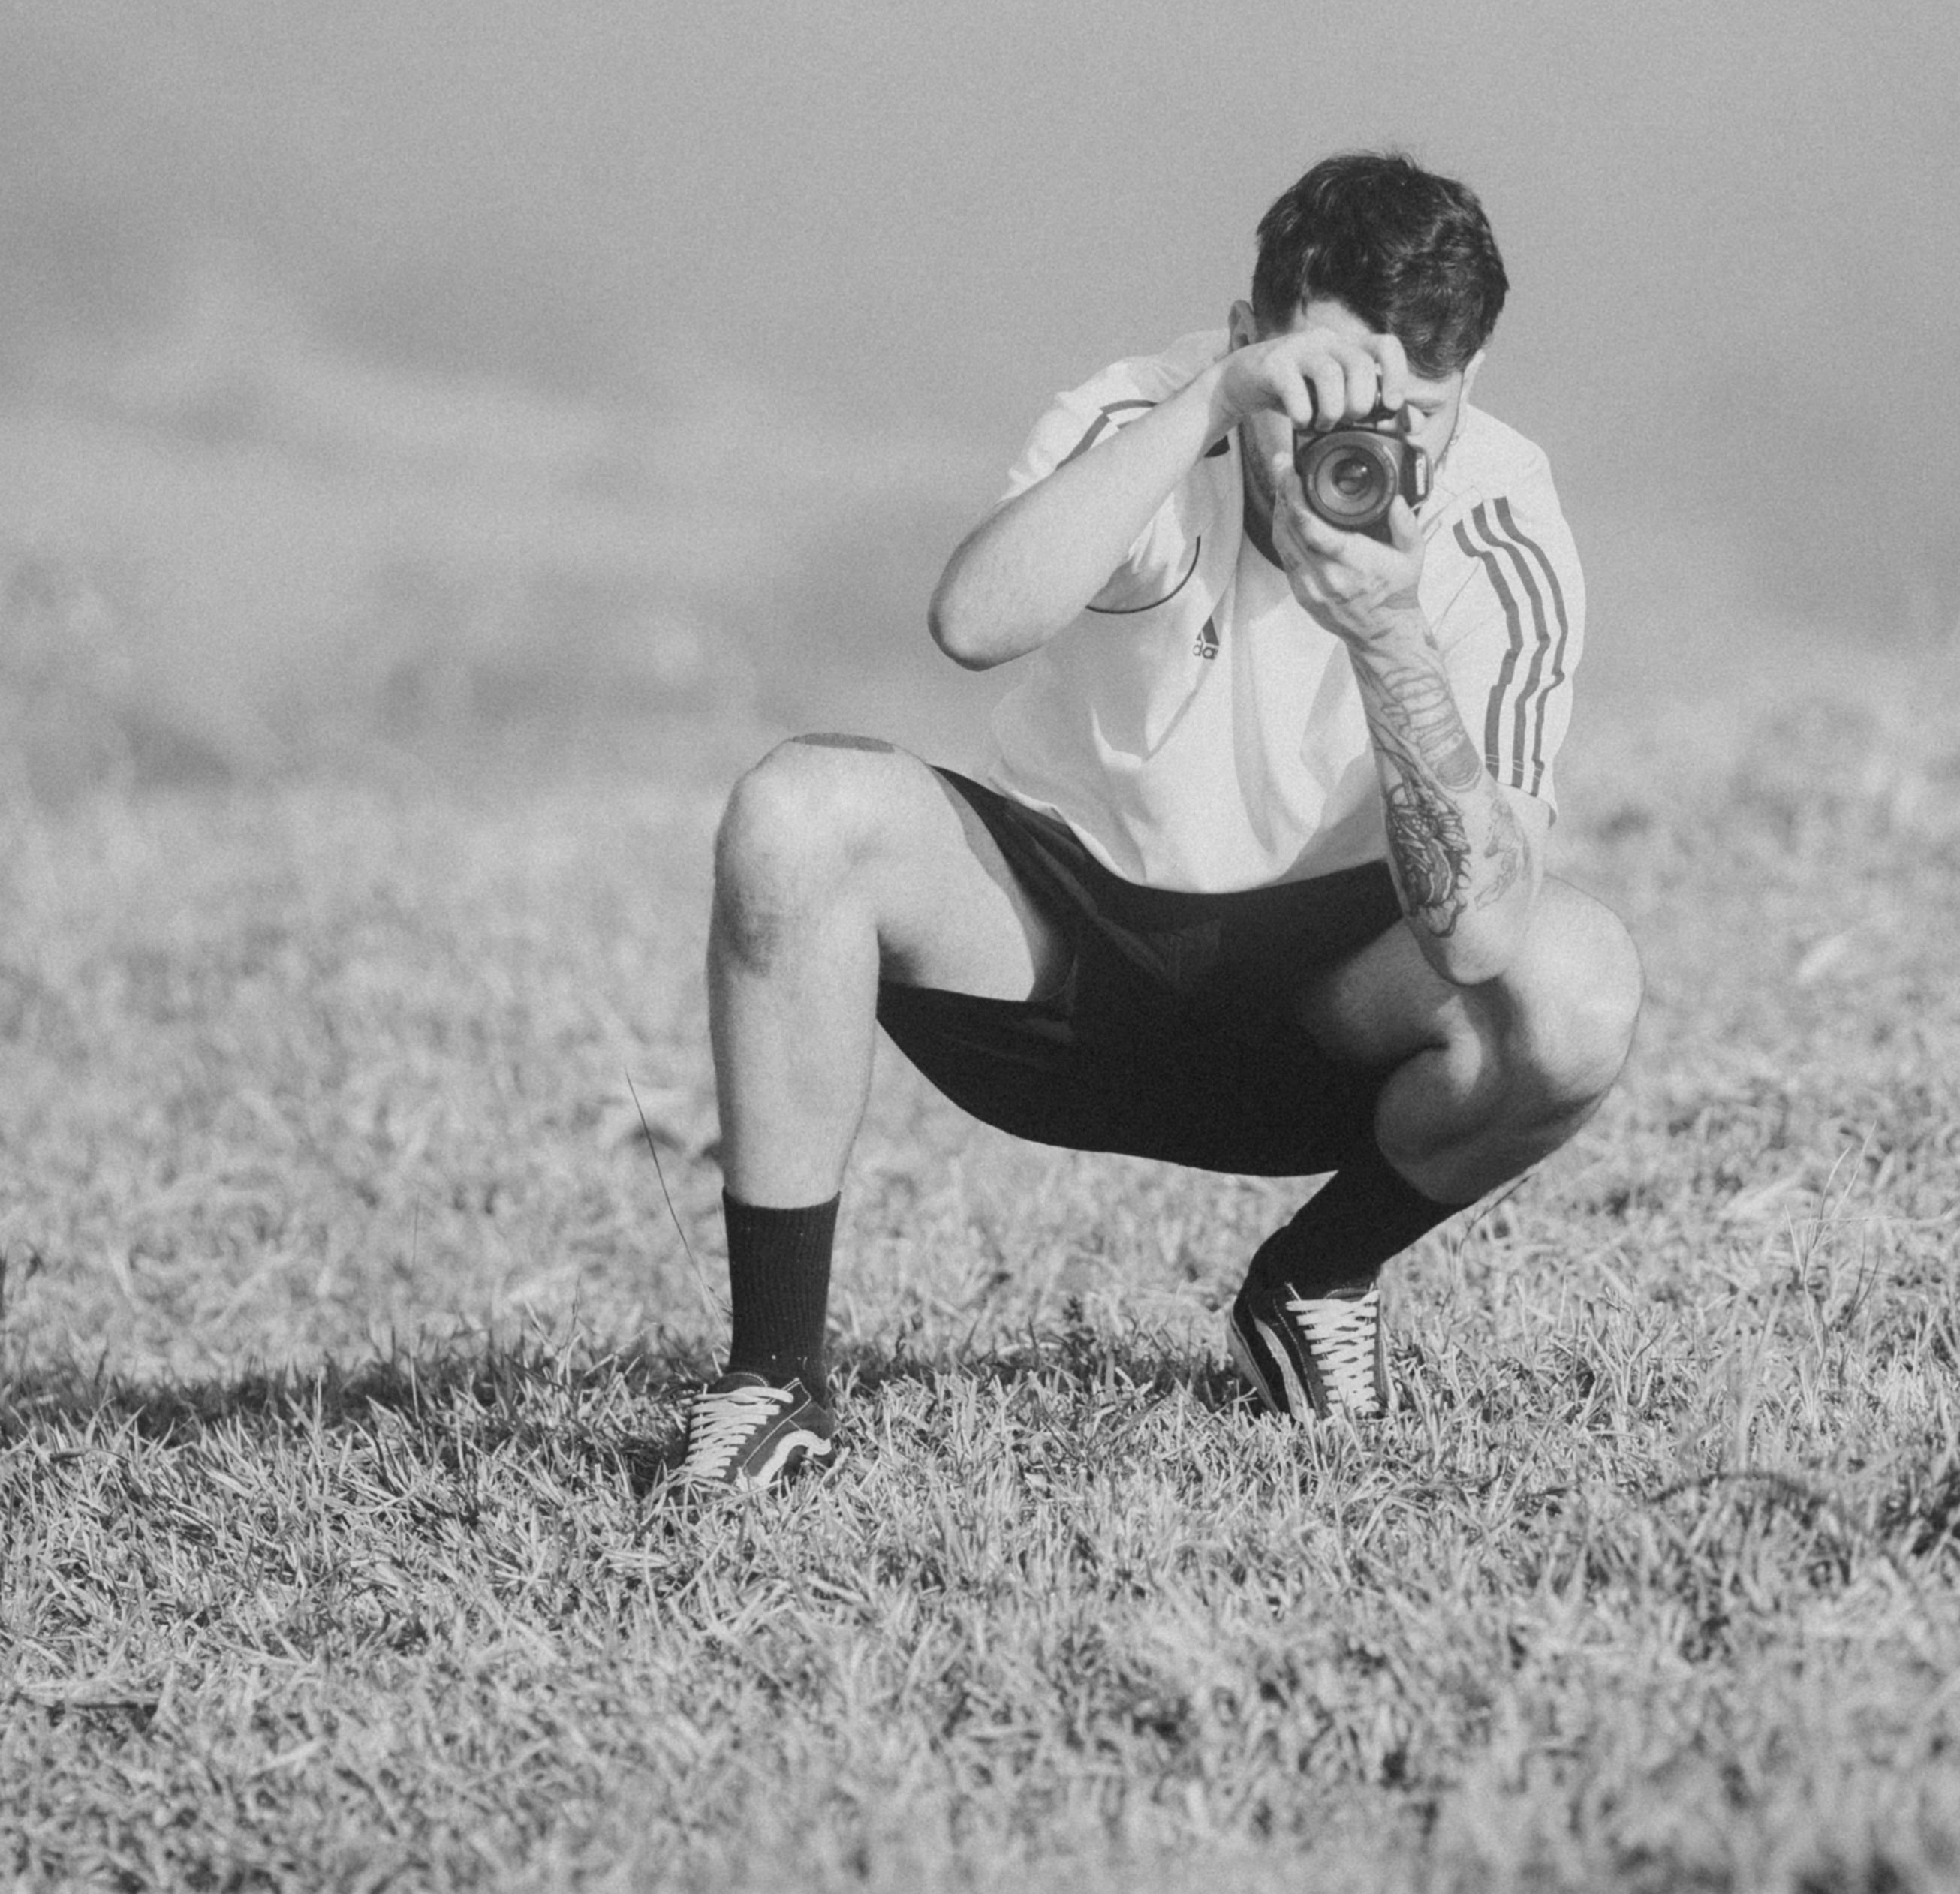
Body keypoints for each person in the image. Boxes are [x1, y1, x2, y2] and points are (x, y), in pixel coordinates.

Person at [672, 151, 1645, 1492]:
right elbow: (973, 623)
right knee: (794, 814)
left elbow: (1480, 940)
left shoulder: (1503, 521)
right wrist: (1204, 412)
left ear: (1466, 385)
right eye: (1320, 384)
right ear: (1251, 334)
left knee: (1578, 982)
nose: (1359, 440)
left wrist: (1386, 631)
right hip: (1058, 960)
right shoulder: (1144, 412)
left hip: (1324, 1016)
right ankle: (772, 1382)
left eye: (1410, 410)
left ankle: (1312, 1283)